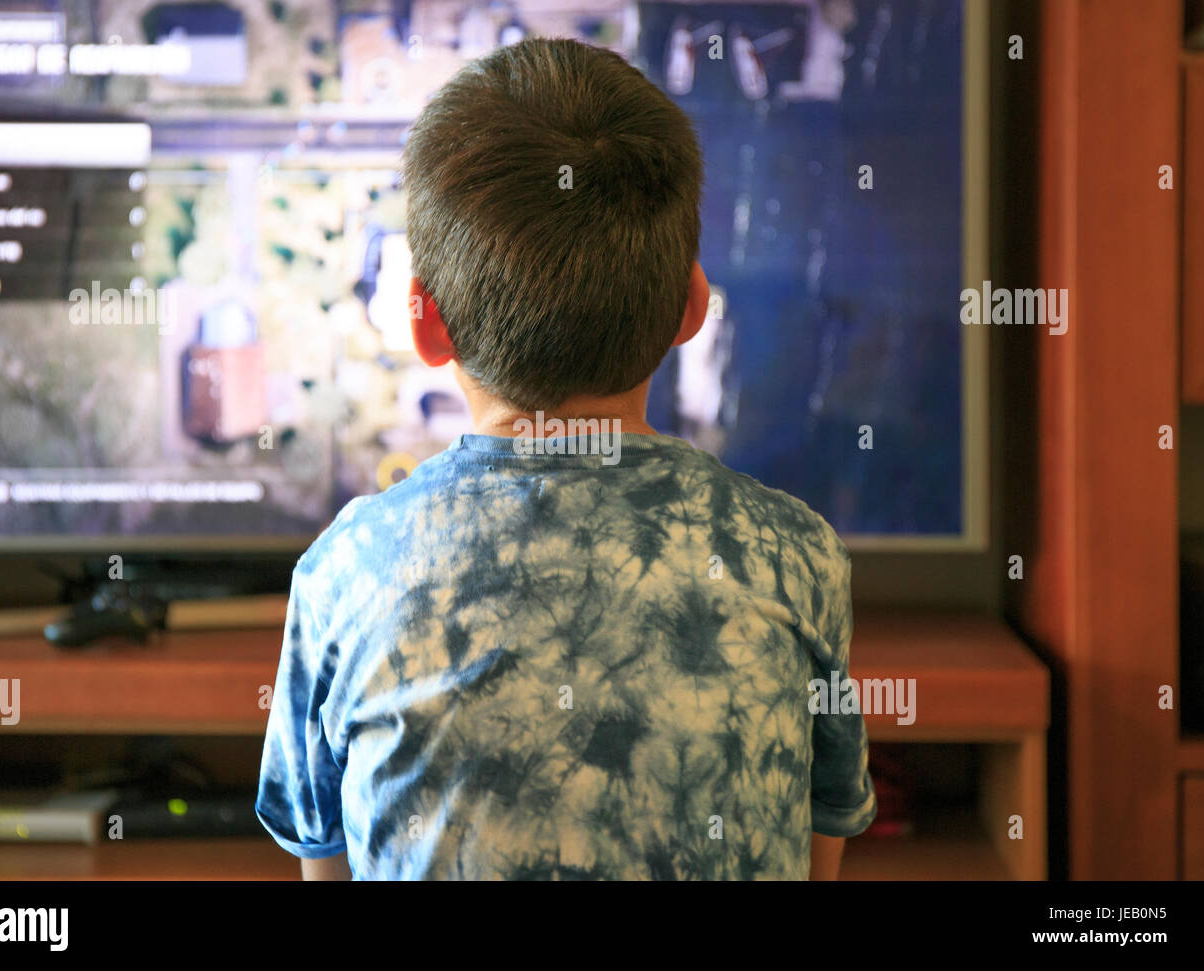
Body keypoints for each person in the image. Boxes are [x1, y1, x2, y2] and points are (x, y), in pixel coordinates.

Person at [256, 36, 875, 880]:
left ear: (425, 325)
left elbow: (330, 864)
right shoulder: (796, 557)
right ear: (692, 307)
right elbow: (819, 855)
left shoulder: (342, 576)